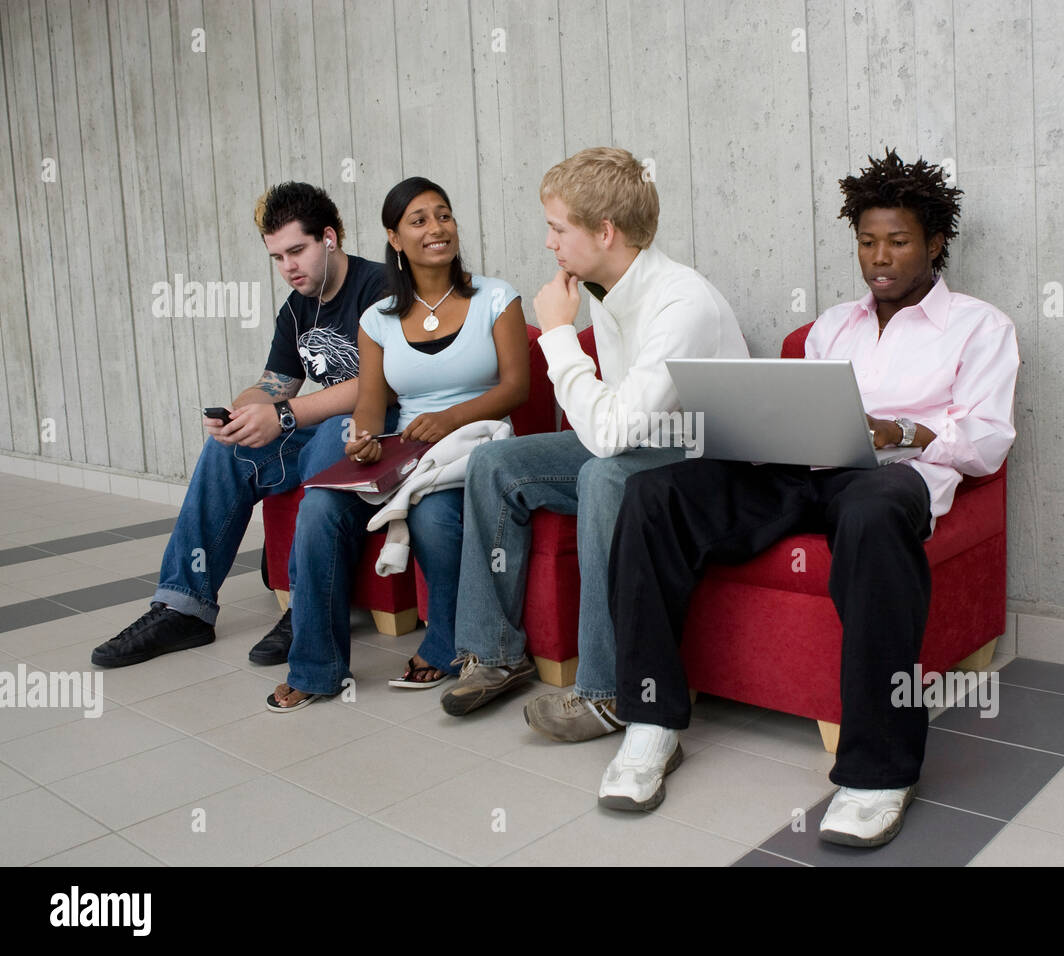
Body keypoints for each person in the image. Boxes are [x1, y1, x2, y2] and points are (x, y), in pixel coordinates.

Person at [598, 149, 1020, 848]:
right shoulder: (833, 326)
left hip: (892, 478)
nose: (879, 257)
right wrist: (755, 426)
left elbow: (986, 441)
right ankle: (651, 722)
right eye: (867, 241)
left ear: (936, 243)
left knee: (873, 511)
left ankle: (878, 771)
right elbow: (798, 407)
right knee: (652, 495)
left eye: (898, 240)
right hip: (801, 468)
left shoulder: (982, 327)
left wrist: (904, 430)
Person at [439, 146, 749, 740]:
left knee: (603, 475)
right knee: (495, 462)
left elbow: (607, 438)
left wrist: (557, 332)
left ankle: (608, 694)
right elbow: (608, 423)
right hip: (644, 438)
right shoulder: (606, 293)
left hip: (706, 457)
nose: (550, 244)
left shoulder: (679, 303)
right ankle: (496, 652)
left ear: (605, 231)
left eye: (558, 229)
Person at [91, 183, 386, 669]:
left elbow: (378, 384)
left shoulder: (378, 286)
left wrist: (284, 415)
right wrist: (242, 413)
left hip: (375, 431)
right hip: (319, 425)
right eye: (277, 257)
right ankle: (183, 607)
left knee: (325, 444)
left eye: (297, 250)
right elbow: (275, 384)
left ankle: (305, 608)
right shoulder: (295, 309)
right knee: (226, 450)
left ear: (329, 238)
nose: (288, 267)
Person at [267, 177, 529, 711]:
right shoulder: (377, 318)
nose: (437, 228)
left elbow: (514, 388)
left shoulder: (496, 298)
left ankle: (446, 648)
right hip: (404, 448)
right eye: (419, 220)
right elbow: (371, 398)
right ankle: (316, 666)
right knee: (318, 505)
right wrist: (364, 439)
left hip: (472, 448)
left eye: (444, 215)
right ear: (394, 237)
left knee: (435, 518)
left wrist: (450, 417)